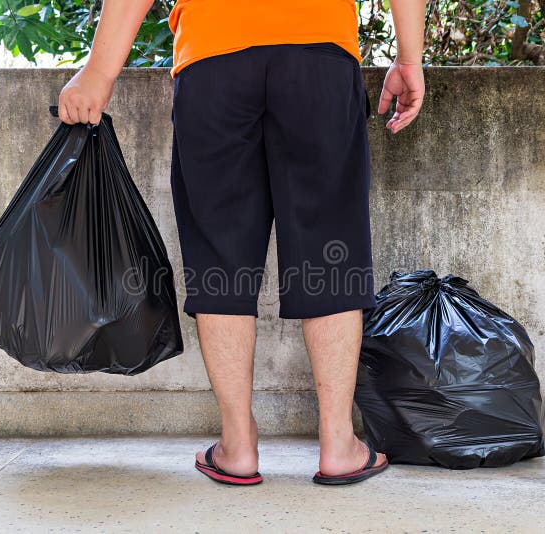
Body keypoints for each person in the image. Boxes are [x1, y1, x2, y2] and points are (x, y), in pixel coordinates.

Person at [58, 0, 426, 486]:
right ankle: (338, 444)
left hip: (215, 58)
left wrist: (99, 74)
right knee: (332, 246)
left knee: (220, 253)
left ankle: (237, 445)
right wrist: (409, 58)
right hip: (317, 54)